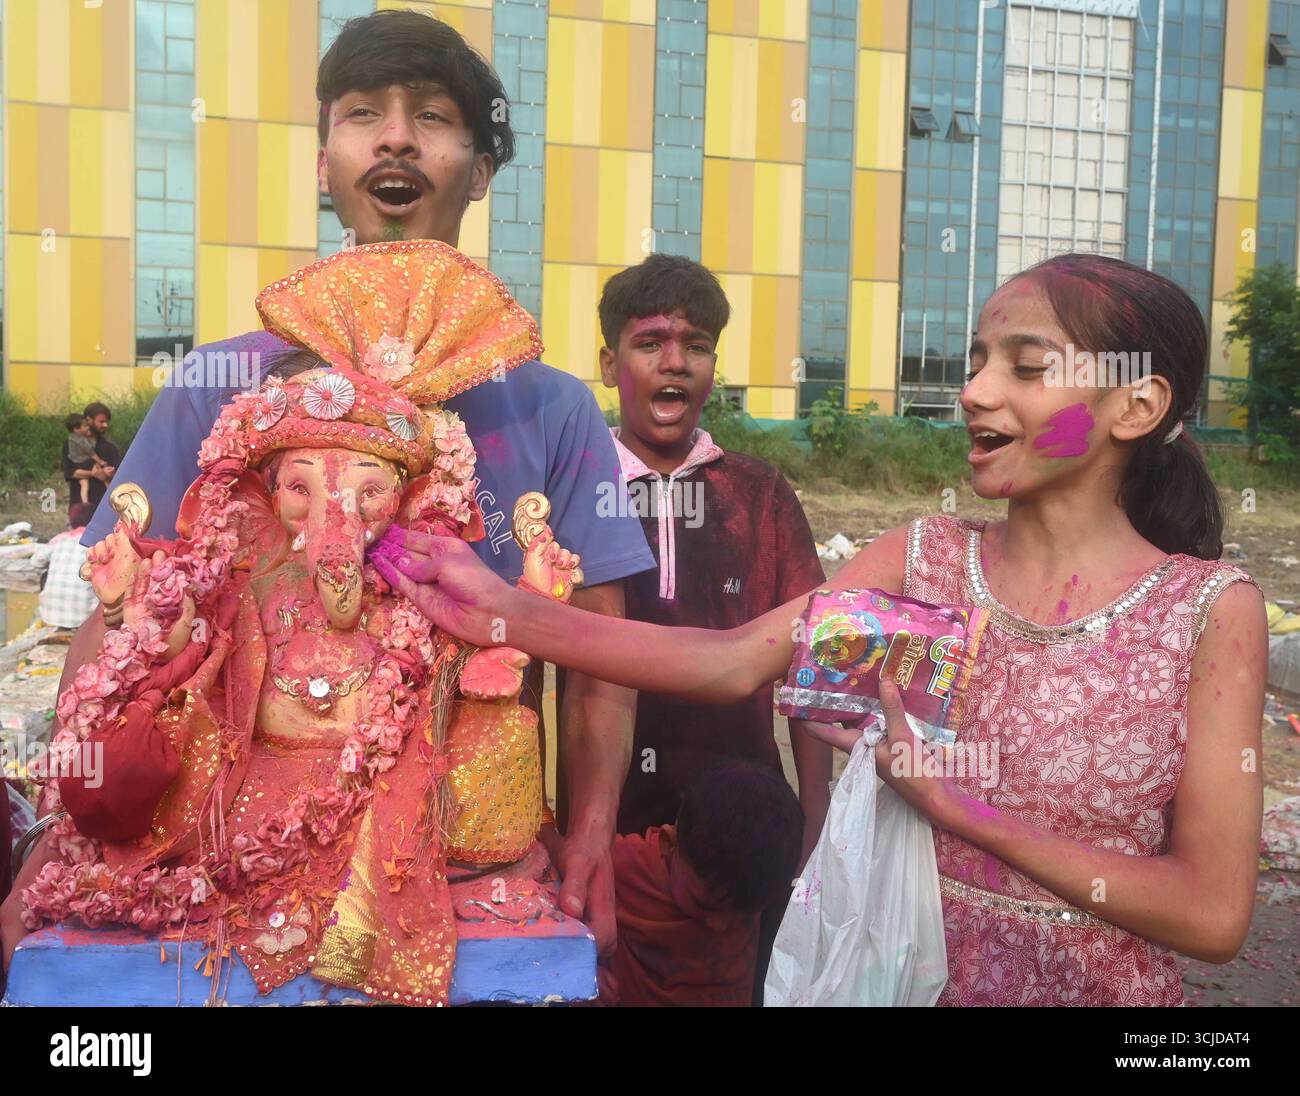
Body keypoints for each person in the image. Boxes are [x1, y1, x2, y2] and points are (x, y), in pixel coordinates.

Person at [377, 254, 1269, 1006]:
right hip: (912, 977)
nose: (972, 392)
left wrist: (966, 815)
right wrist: (504, 611)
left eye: (1025, 369)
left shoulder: (1207, 612)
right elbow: (730, 662)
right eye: (976, 360)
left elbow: (1212, 913)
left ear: (1136, 406)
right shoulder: (921, 559)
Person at [69, 9, 652, 954]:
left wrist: (589, 836)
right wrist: (79, 815)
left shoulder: (551, 409)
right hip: (231, 870)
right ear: (324, 160)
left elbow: (602, 654)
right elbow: (117, 614)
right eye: (363, 113)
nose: (395, 136)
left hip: (465, 874)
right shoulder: (217, 388)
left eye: (431, 116)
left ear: (481, 167)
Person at [590, 253, 832, 1001]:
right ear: (609, 363)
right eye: (650, 342)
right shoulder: (573, 493)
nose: (675, 363)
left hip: (744, 845)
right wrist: (568, 834)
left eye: (695, 346)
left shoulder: (758, 493)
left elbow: (814, 668)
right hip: (614, 828)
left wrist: (816, 832)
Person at [604, 760, 803, 1007]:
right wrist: (588, 967)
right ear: (669, 844)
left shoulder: (749, 880)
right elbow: (555, 877)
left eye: (740, 916)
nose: (719, 926)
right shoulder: (625, 867)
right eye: (704, 906)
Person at [61, 406, 116, 520]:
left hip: (103, 507)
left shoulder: (109, 447)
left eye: (106, 422)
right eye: (101, 421)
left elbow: (119, 473)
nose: (105, 425)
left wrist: (108, 474)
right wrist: (94, 474)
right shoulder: (71, 444)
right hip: (79, 507)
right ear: (88, 420)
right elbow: (70, 472)